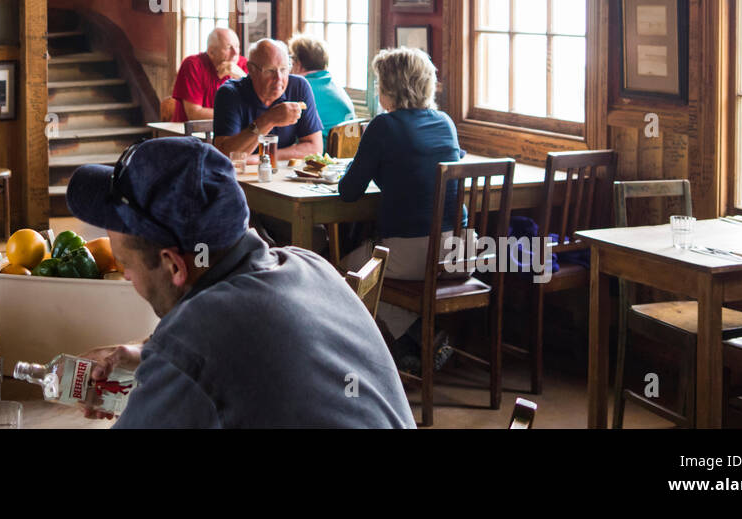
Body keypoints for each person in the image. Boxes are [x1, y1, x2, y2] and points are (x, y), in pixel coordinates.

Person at [66, 137, 413, 428]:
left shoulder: (192, 345)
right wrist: (143, 354)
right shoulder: (311, 266)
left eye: (126, 266)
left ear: (174, 265)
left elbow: (201, 349)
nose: (126, 276)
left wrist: (167, 363)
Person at [336, 47, 465, 373]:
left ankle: (380, 356)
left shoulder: (383, 126)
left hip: (412, 253)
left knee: (337, 273)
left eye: (379, 82)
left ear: (389, 87)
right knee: (379, 266)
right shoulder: (446, 122)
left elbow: (349, 192)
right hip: (458, 251)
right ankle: (418, 342)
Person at [212, 38, 322, 162]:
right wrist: (268, 120)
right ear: (251, 70)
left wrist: (263, 158)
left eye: (284, 69)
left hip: (282, 176)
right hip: (238, 177)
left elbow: (314, 148)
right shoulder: (229, 93)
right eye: (270, 70)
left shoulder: (298, 87)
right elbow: (224, 156)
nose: (279, 78)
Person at [169, 27, 247, 122]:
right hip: (190, 133)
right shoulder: (193, 65)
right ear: (211, 52)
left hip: (229, 132)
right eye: (228, 47)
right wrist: (237, 114)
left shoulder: (243, 65)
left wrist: (243, 78)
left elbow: (256, 105)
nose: (235, 53)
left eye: (237, 46)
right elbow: (194, 114)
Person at [288, 34, 355, 136]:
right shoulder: (335, 85)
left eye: (291, 59)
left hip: (320, 149)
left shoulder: (301, 89)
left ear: (298, 64)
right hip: (347, 150)